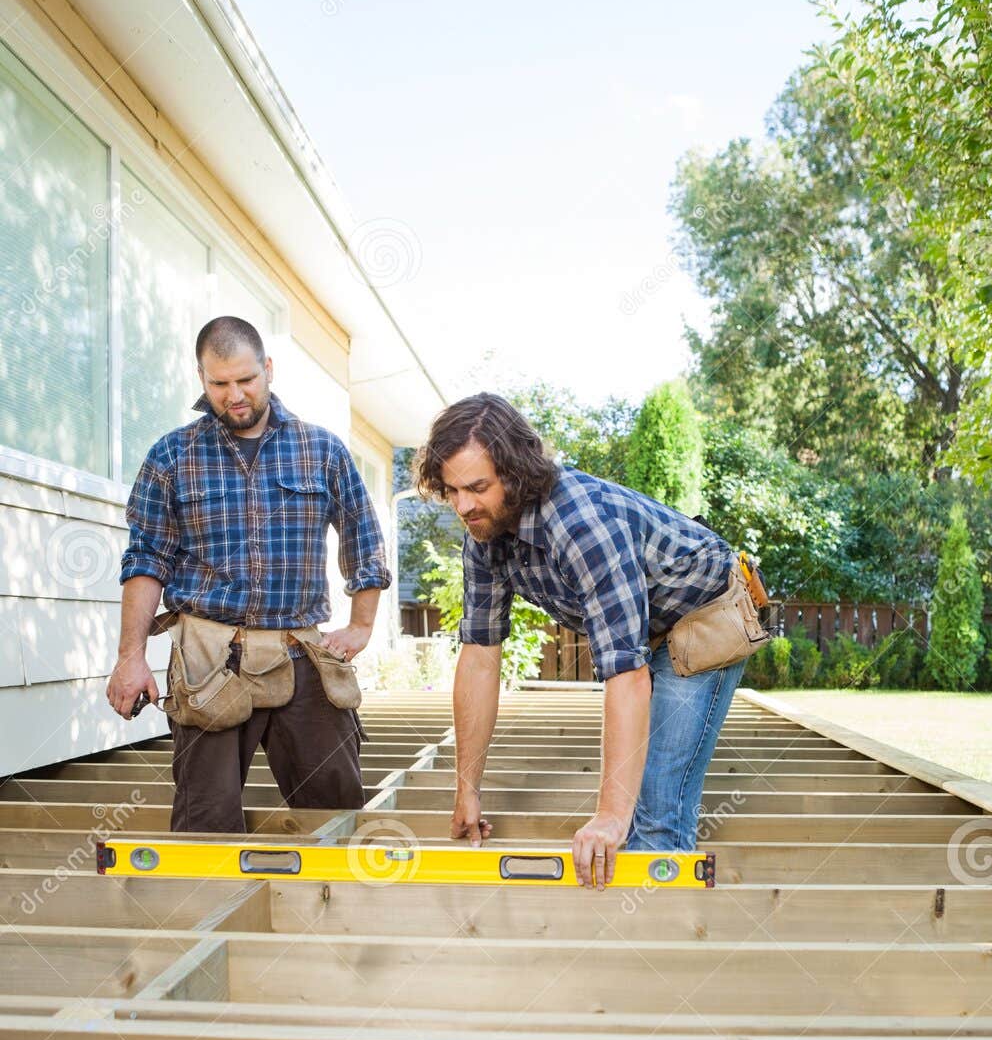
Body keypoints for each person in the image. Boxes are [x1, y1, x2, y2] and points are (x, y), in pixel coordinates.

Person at [411, 392, 746, 888]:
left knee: (652, 810)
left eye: (477, 487)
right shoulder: (482, 532)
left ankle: (659, 946)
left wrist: (611, 815)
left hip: (701, 616)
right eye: (451, 490)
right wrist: (467, 788)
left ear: (516, 473)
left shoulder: (580, 525)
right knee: (628, 800)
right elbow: (480, 657)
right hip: (643, 626)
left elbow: (626, 673)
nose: (462, 505)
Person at [106, 316, 390, 832]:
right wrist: (131, 657)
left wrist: (363, 625)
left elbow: (364, 541)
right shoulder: (172, 456)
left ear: (268, 369)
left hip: (303, 658)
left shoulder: (321, 450)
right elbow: (146, 560)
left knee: (337, 814)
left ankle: (334, 911)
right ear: (202, 378)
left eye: (246, 380)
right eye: (219, 384)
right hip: (209, 661)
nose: (234, 394)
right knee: (205, 823)